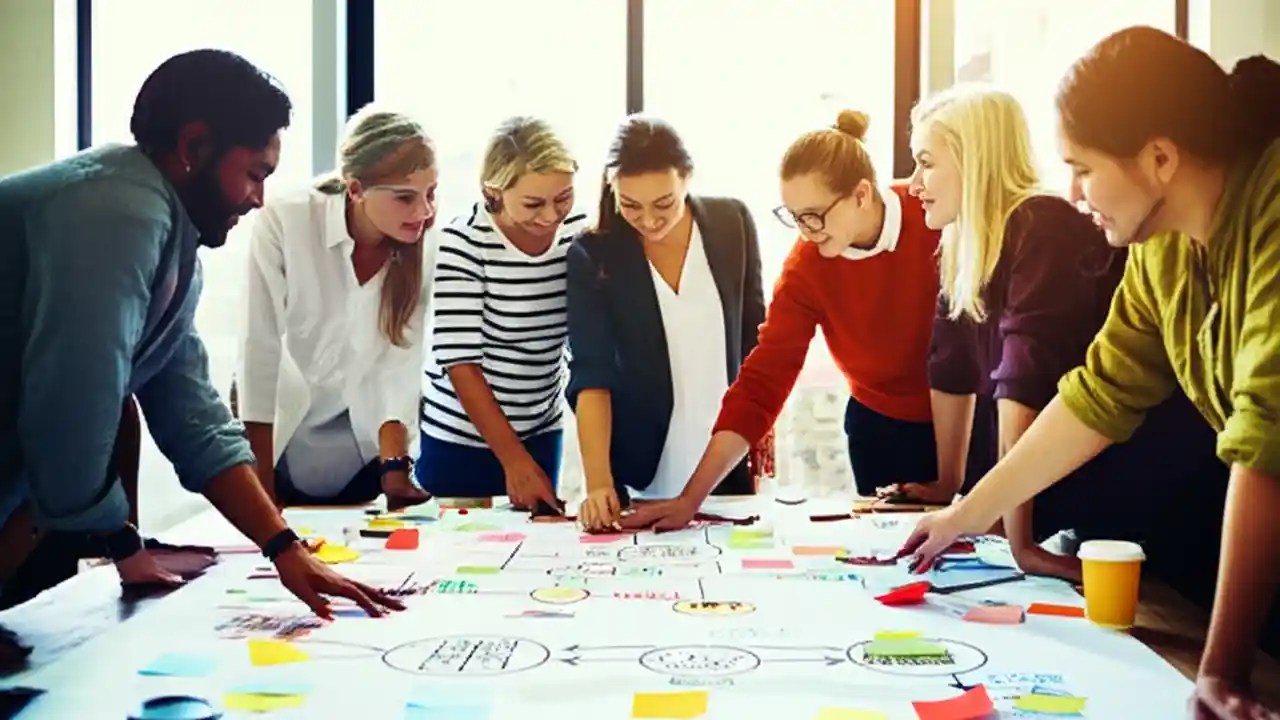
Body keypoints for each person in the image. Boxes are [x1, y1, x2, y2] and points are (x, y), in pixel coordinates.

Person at [901, 28, 1280, 720]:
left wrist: (1220, 670)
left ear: (1160, 157)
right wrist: (965, 514)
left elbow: (1266, 434)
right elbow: (1100, 392)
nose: (1074, 193)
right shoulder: (1159, 247)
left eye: (1083, 167)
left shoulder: (1272, 208)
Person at [0, 50, 401, 619]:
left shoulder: (167, 232)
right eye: (254, 174)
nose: (258, 198)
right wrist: (119, 538)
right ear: (193, 148)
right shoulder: (118, 211)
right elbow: (74, 410)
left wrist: (282, 547)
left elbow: (190, 409)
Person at [891, 83, 1222, 581]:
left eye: (926, 162)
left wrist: (1019, 542)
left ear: (974, 160)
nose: (914, 183)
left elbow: (1022, 380)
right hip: (1069, 487)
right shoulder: (963, 244)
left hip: (1142, 488)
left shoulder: (1040, 223)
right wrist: (949, 486)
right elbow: (951, 367)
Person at [622, 110, 942, 531]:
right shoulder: (807, 266)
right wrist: (690, 499)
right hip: (878, 426)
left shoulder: (934, 216)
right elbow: (763, 381)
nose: (805, 231)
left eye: (814, 214)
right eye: (794, 216)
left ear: (861, 195)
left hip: (964, 421)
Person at [566, 115, 766, 532]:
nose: (649, 220)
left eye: (663, 204)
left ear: (687, 178)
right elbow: (591, 375)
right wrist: (598, 482)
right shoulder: (594, 252)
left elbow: (756, 340)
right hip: (641, 471)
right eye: (631, 205)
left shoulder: (732, 224)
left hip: (723, 463)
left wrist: (761, 428)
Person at [238, 105, 435, 510]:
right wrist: (260, 493)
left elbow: (401, 362)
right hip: (279, 442)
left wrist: (395, 469)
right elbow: (259, 350)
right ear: (356, 188)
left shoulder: (422, 239)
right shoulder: (285, 220)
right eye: (405, 197)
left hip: (364, 454)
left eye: (431, 193)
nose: (424, 211)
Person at [418, 117, 588, 509]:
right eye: (533, 203)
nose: (550, 216)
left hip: (541, 428)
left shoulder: (578, 230)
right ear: (492, 192)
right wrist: (514, 461)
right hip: (459, 437)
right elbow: (460, 362)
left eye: (563, 197)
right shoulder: (464, 242)